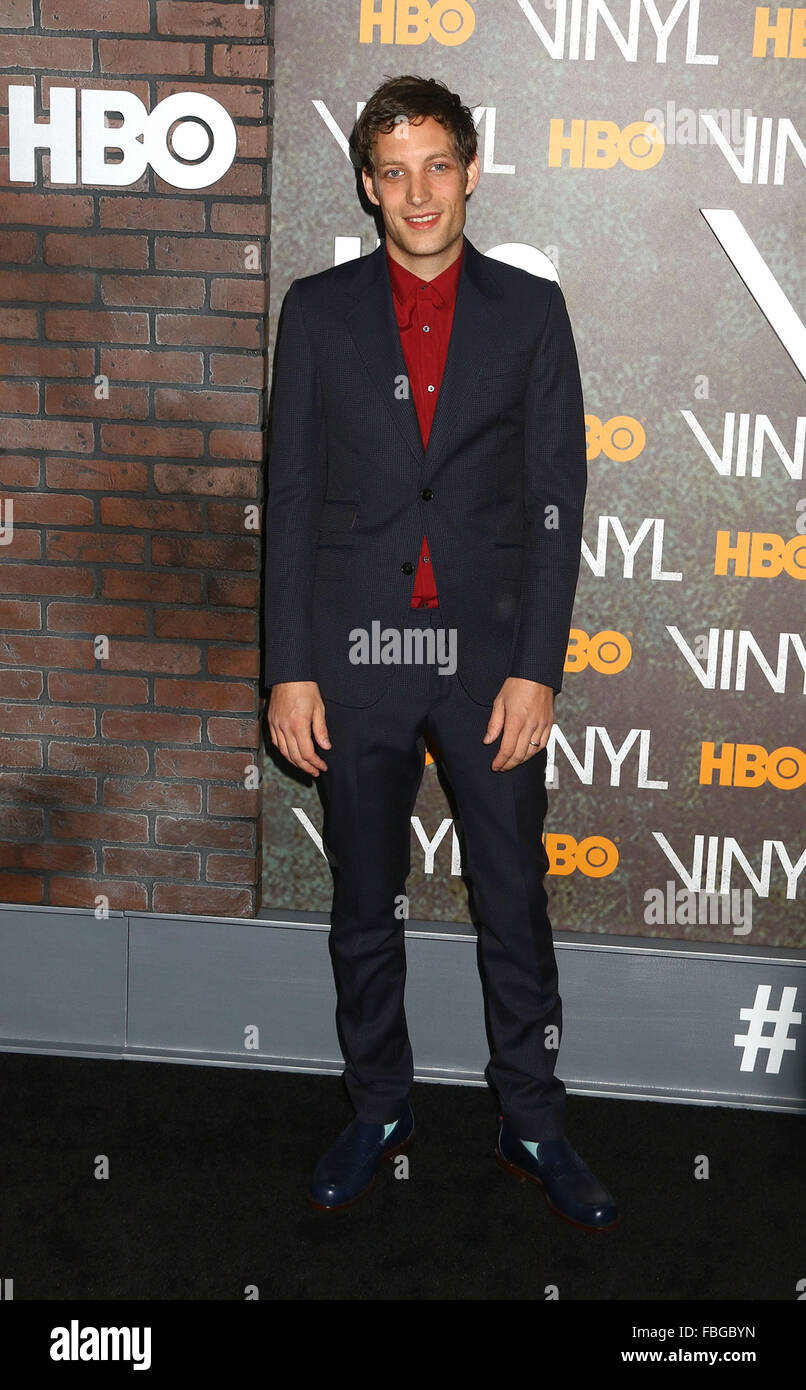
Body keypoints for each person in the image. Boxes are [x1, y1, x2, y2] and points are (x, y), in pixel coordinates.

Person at [264, 74, 619, 1232]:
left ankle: (532, 1116)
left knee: (511, 899)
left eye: (437, 164)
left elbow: (555, 499)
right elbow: (294, 495)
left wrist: (536, 668)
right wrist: (289, 667)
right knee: (363, 901)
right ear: (367, 185)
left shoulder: (531, 312)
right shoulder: (315, 313)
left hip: (486, 662)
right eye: (393, 169)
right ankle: (378, 1106)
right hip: (352, 657)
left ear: (470, 169)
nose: (417, 191)